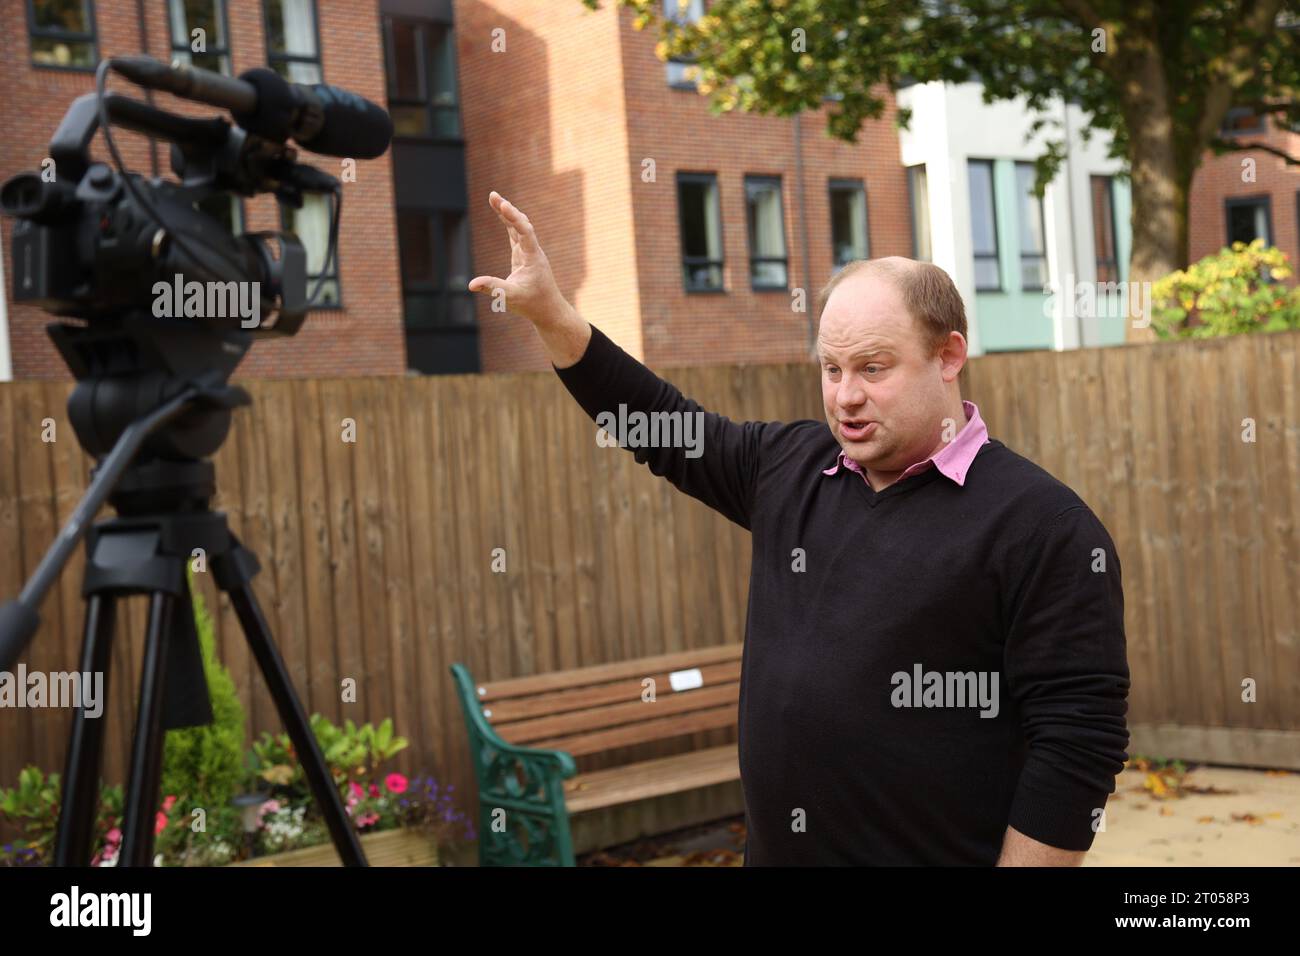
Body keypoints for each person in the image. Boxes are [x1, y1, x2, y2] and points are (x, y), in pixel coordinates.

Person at [469, 190, 1130, 866]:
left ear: (948, 354)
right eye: (831, 368)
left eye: (873, 368)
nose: (845, 395)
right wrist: (553, 315)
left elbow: (1077, 742)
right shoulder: (789, 468)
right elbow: (662, 428)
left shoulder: (1042, 528)